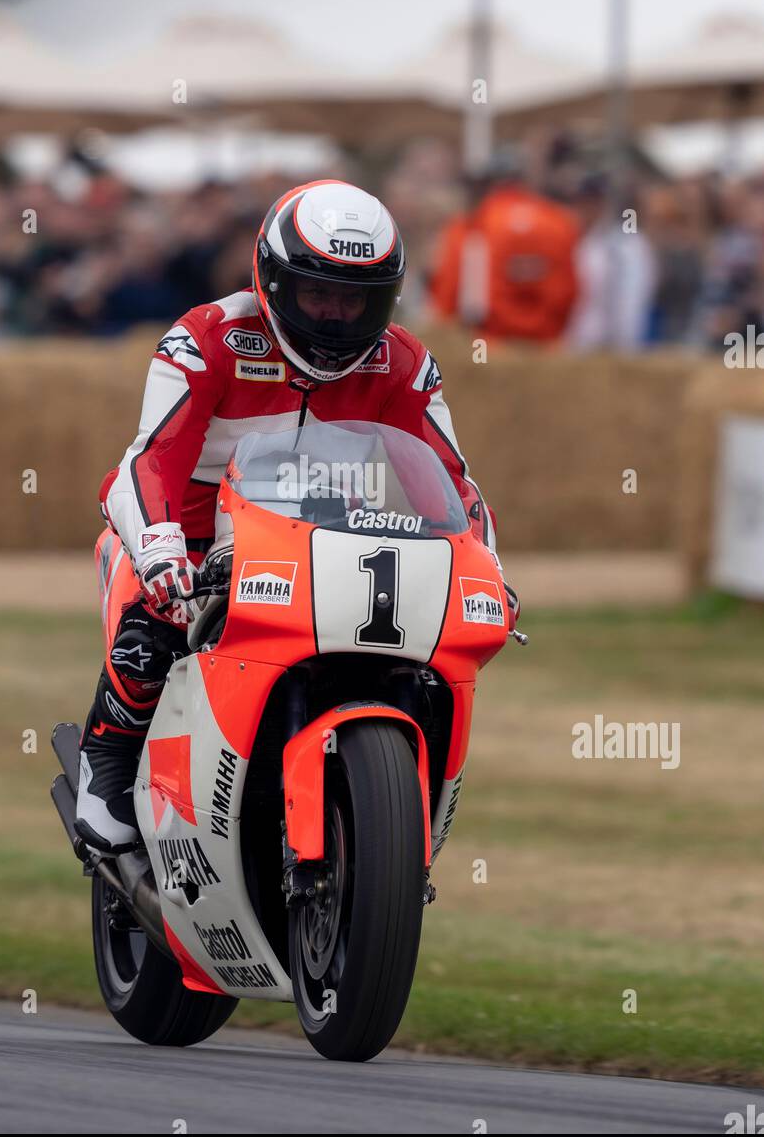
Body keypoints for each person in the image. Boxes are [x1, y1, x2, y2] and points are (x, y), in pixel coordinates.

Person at [75, 179, 518, 853]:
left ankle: (385, 817)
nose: (337, 318)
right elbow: (150, 462)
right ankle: (107, 753)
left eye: (356, 299)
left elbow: (454, 486)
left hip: (334, 539)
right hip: (196, 536)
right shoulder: (207, 339)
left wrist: (485, 569)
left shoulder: (404, 363)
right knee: (156, 624)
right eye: (320, 294)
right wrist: (163, 552)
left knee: (417, 661)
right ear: (275, 282)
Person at [429, 155, 579, 342]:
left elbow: (449, 289)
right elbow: (573, 289)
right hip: (548, 344)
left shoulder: (473, 223)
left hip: (489, 345)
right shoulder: (559, 221)